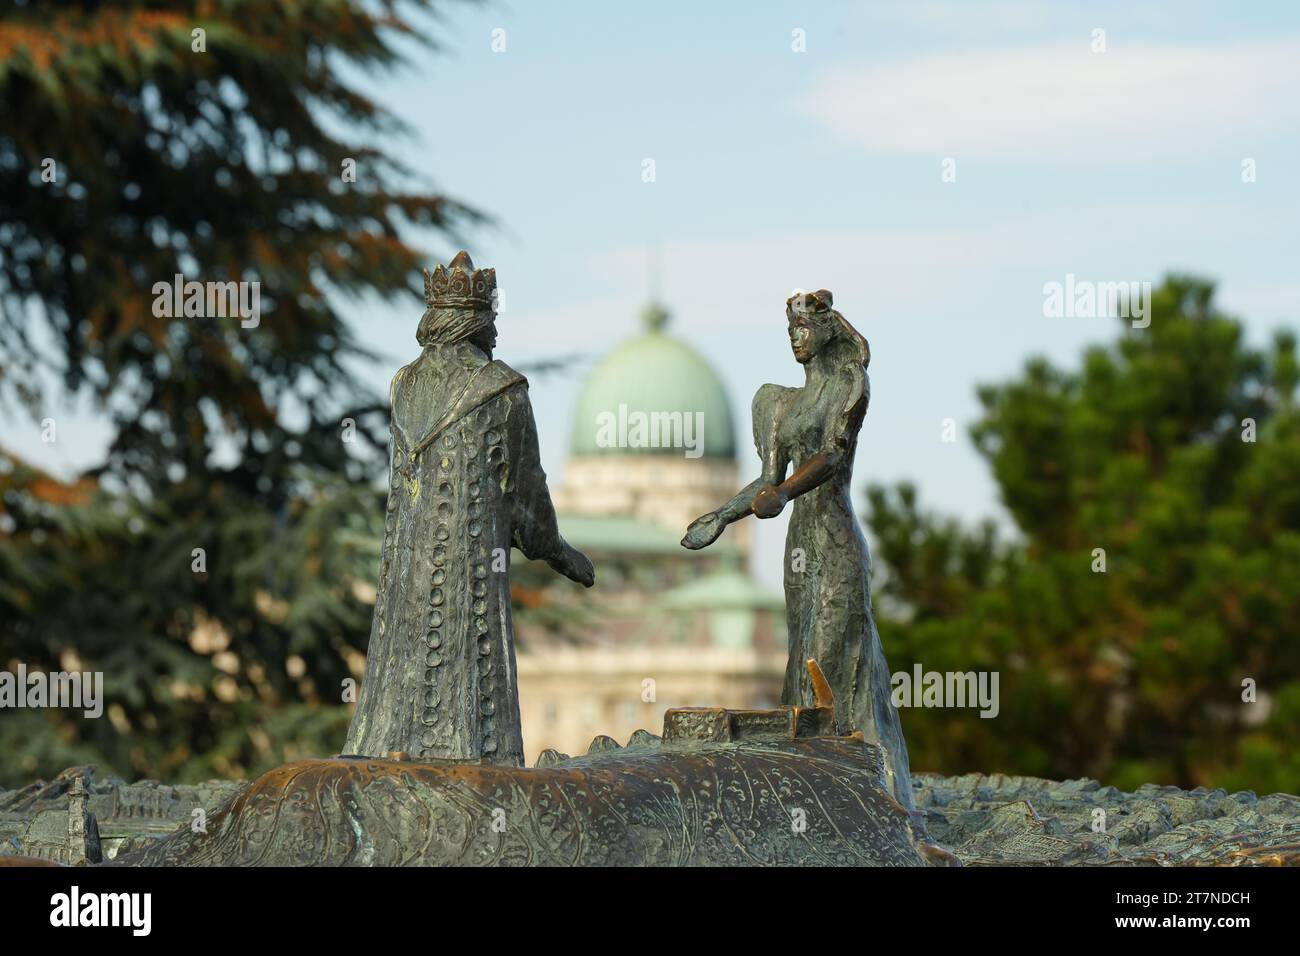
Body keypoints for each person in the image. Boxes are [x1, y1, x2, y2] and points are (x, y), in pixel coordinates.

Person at [345, 251, 593, 767]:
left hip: (406, 564)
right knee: (469, 661)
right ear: (479, 324)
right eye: (493, 323)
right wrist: (558, 552)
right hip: (470, 565)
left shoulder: (401, 386)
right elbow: (527, 491)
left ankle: (386, 746)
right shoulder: (503, 388)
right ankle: (470, 756)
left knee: (404, 644)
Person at [681, 289, 912, 807]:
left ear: (828, 331)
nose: (797, 340)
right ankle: (809, 790)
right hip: (799, 549)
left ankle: (862, 790)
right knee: (802, 659)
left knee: (835, 656)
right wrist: (721, 516)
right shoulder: (776, 402)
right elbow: (766, 481)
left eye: (804, 330)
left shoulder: (850, 386)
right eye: (790, 332)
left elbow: (831, 456)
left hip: (835, 541)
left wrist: (784, 493)